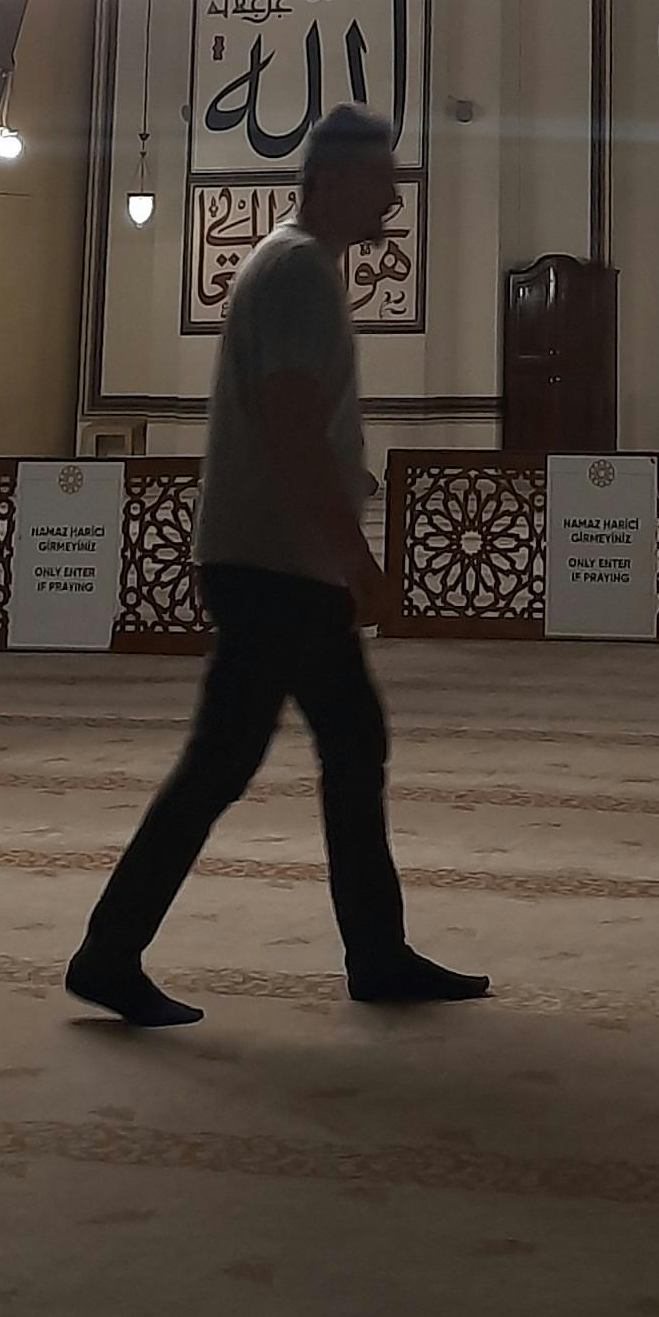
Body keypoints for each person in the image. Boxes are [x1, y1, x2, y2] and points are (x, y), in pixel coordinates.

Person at [66, 102, 489, 1028]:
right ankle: (111, 951)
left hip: (276, 563)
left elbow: (304, 430)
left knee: (339, 744)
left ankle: (373, 953)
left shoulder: (297, 266)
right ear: (336, 181)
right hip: (277, 567)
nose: (392, 192)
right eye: (381, 176)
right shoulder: (296, 269)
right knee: (234, 760)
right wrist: (358, 559)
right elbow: (292, 427)